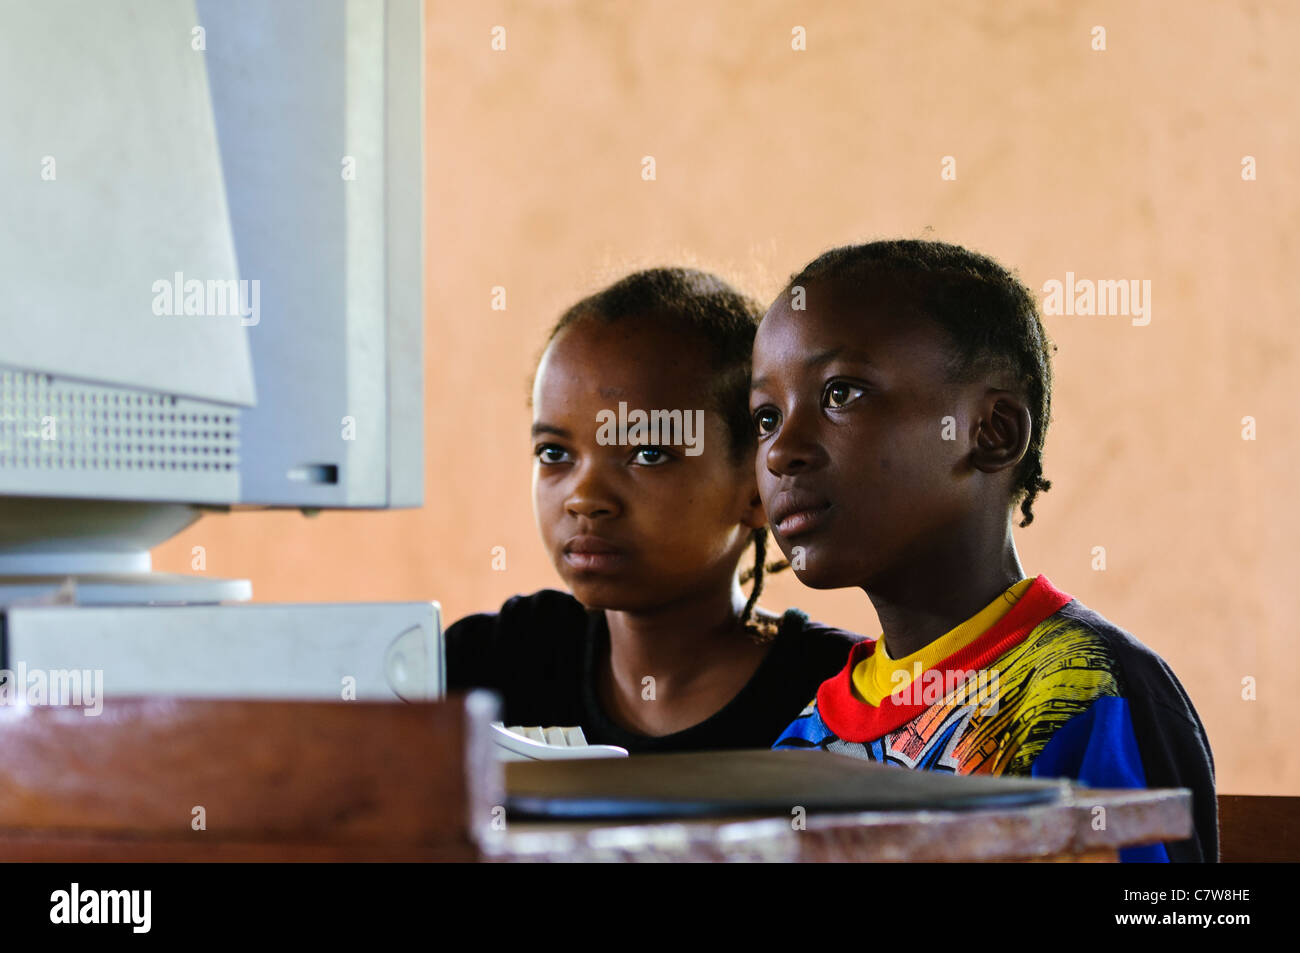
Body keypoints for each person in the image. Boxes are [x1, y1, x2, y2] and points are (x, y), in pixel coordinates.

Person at [752, 240, 1216, 861]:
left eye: (841, 393)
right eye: (765, 418)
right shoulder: (809, 736)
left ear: (993, 432)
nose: (782, 451)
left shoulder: (1091, 692)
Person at [447, 268, 862, 753]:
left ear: (756, 489)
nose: (584, 499)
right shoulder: (489, 664)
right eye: (554, 453)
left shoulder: (837, 700)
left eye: (647, 454)